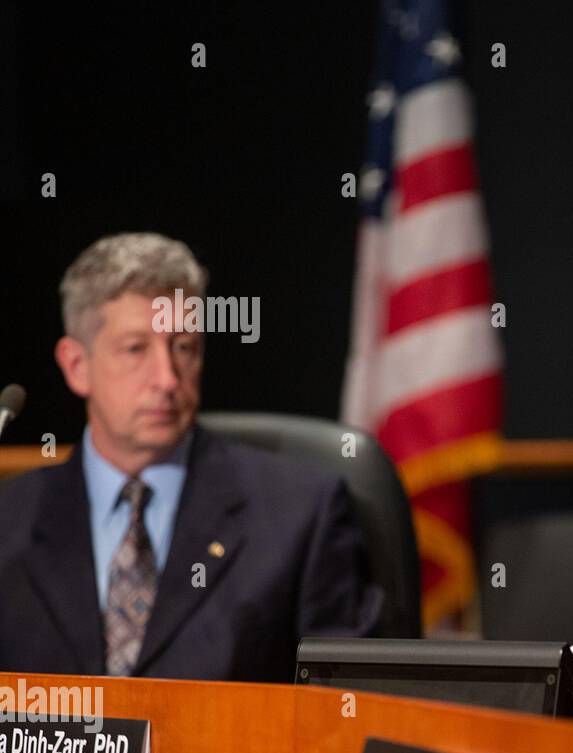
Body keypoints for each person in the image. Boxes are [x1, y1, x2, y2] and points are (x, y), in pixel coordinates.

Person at [0, 233, 382, 679]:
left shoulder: (300, 516)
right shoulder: (10, 520)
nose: (166, 378)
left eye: (184, 348)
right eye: (135, 349)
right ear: (76, 366)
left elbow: (348, 713)